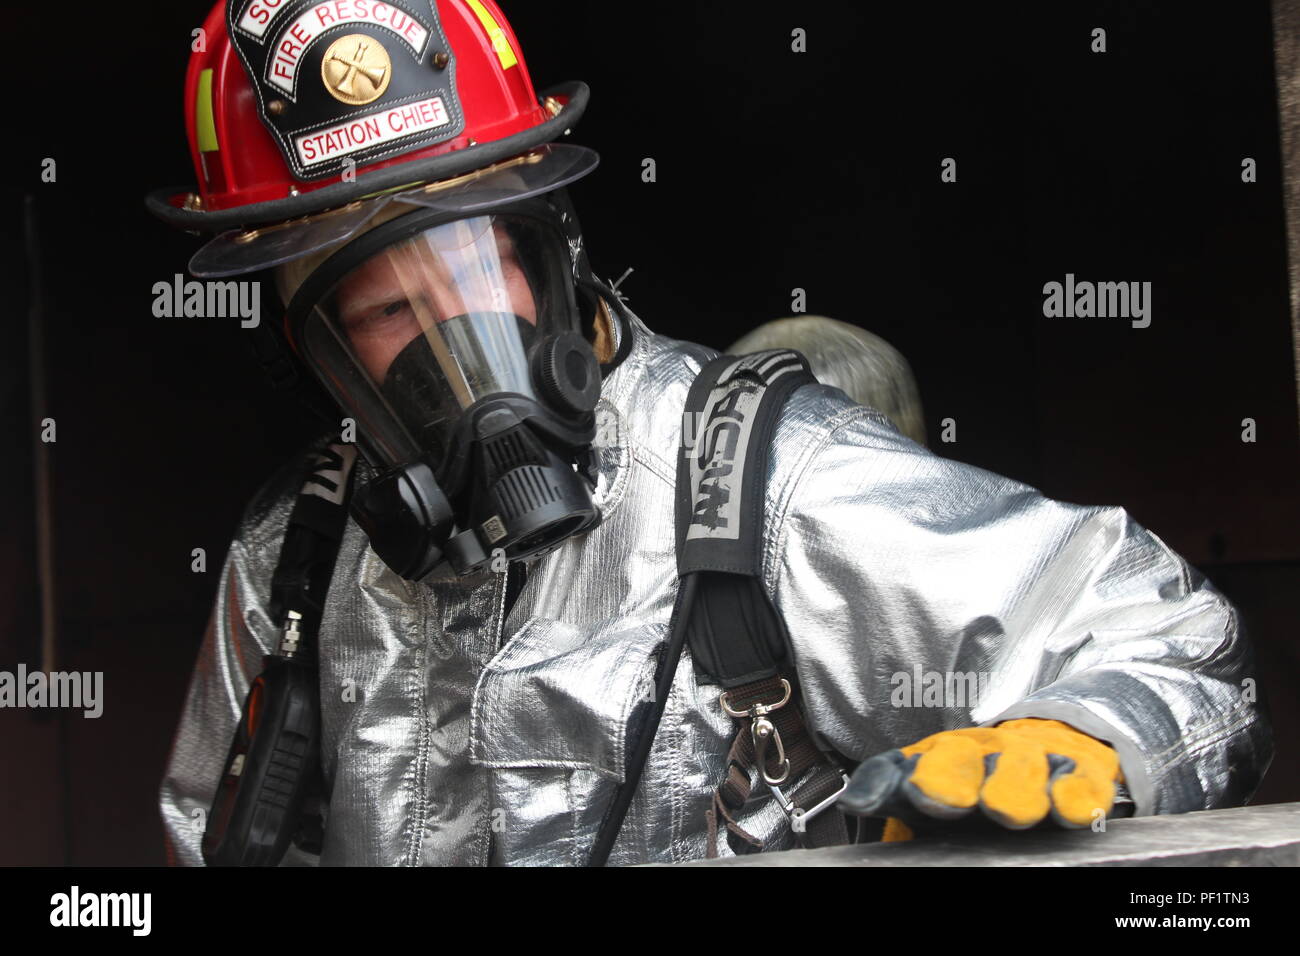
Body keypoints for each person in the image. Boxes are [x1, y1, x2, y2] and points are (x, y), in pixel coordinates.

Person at [151, 0, 1272, 866]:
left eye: (477, 265)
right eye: (384, 312)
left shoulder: (762, 483)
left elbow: (1159, 631)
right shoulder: (289, 560)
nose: (452, 347)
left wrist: (1086, 731)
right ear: (312, 350)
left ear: (557, 246)